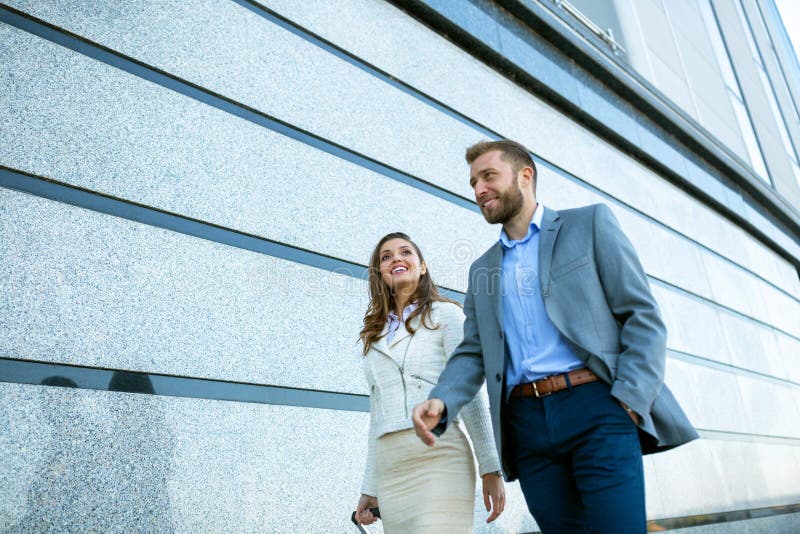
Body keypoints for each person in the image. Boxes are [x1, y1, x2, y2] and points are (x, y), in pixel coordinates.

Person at [412, 140, 698, 533]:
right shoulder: (483, 270)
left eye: (489, 176)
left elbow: (641, 315)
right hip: (527, 425)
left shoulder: (589, 225)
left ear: (525, 175)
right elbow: (473, 352)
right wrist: (442, 401)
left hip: (598, 409)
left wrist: (630, 399)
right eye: (474, 182)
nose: (479, 189)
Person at [355, 232, 505, 532]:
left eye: (405, 252)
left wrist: (490, 466)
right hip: (391, 465)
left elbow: (471, 394)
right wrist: (369, 487)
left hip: (439, 452)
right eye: (386, 257)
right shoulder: (374, 337)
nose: (396, 258)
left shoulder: (447, 315)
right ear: (380, 274)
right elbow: (377, 414)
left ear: (422, 267)